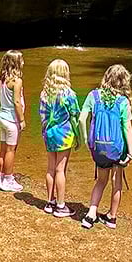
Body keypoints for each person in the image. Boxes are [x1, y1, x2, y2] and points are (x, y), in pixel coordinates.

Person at [79, 64, 132, 231]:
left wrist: (85, 140)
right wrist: (131, 153)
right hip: (117, 149)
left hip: (98, 148)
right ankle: (112, 217)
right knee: (116, 182)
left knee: (101, 181)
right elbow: (127, 128)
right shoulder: (122, 101)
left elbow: (82, 119)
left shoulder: (93, 95)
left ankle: (91, 213)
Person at [39, 59, 80, 218]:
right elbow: (75, 114)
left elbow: (42, 115)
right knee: (60, 169)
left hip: (49, 133)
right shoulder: (69, 94)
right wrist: (78, 136)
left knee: (50, 168)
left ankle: (49, 202)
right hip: (64, 135)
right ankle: (61, 205)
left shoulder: (44, 93)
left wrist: (45, 131)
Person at [0, 50, 26, 193]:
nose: (24, 62)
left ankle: (0, 178)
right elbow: (17, 102)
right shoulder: (17, 81)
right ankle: (8, 179)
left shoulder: (1, 79)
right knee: (11, 150)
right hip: (12, 120)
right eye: (22, 60)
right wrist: (22, 120)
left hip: (1, 117)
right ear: (16, 64)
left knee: (3, 149)